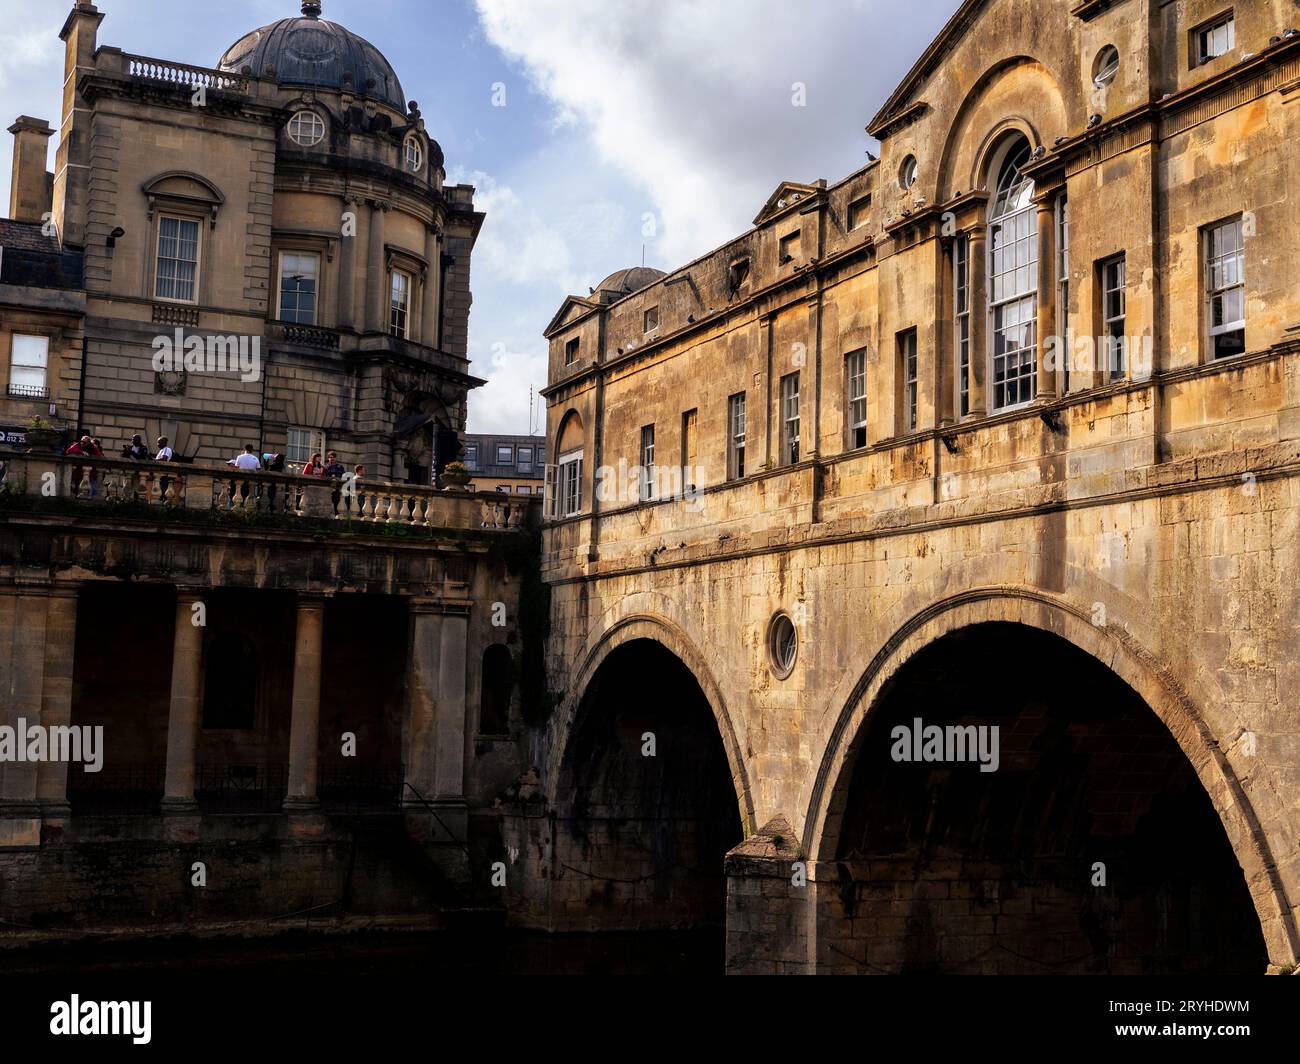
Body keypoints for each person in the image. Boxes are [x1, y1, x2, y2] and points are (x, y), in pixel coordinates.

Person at [155, 436, 174, 501]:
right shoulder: (161, 450)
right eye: (157, 442)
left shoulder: (166, 449)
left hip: (165, 475)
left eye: (159, 442)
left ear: (164, 443)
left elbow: (164, 459)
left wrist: (154, 460)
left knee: (164, 493)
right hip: (160, 475)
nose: (158, 444)